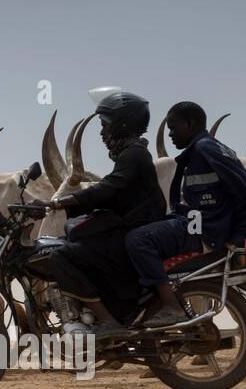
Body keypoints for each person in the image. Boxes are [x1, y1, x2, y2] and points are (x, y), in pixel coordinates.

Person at [36, 91, 166, 333]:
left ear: (122, 124)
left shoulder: (134, 155)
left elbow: (109, 188)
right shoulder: (132, 153)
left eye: (105, 125)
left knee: (60, 257)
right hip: (130, 227)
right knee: (75, 241)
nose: (102, 132)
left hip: (133, 230)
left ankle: (107, 321)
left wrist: (59, 203)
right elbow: (114, 192)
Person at [125, 101, 246, 326]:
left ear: (191, 123)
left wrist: (240, 237)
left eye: (173, 128)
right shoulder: (206, 149)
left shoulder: (206, 149)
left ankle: (171, 306)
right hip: (201, 225)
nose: (170, 134)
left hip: (205, 230)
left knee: (137, 239)